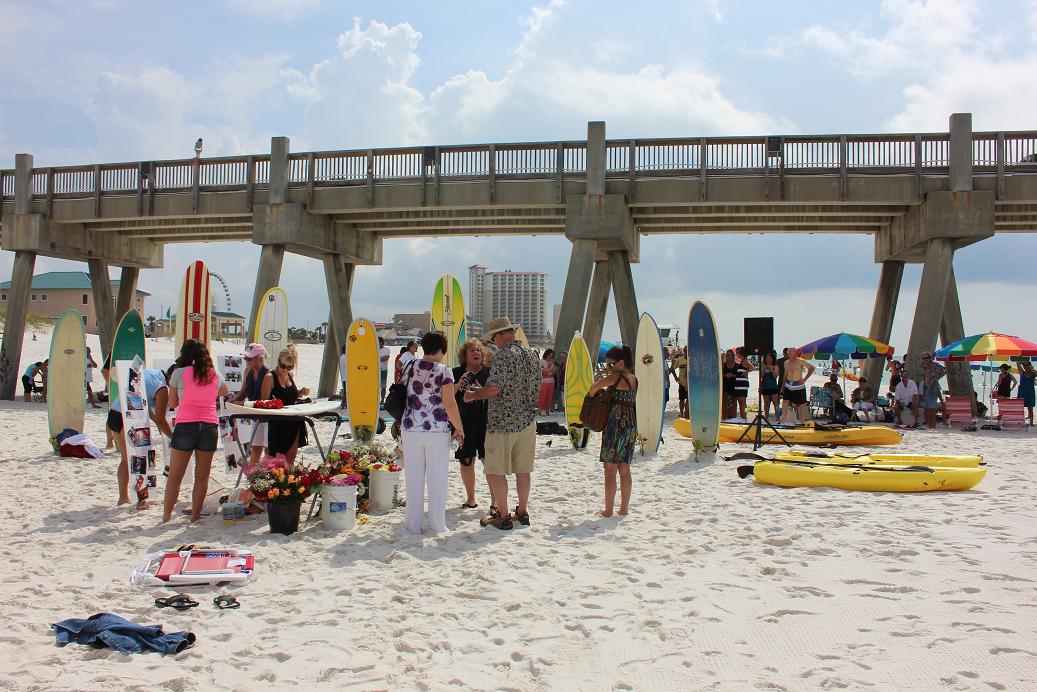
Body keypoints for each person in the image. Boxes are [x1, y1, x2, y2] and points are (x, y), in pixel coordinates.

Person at [464, 317, 540, 530]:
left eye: (493, 339)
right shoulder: (532, 354)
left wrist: (472, 395)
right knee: (523, 470)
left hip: (502, 422)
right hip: (527, 419)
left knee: (495, 470)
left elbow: (494, 389)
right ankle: (522, 512)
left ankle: (503, 515)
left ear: (499, 336)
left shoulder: (504, 356)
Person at [401, 331, 464, 534]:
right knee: (437, 479)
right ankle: (437, 525)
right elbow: (449, 403)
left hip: (410, 427)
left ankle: (412, 525)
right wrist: (459, 427)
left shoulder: (409, 365)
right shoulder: (444, 371)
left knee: (413, 479)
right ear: (442, 350)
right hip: (436, 428)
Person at [164, 340, 228, 522]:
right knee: (202, 477)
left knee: (175, 476)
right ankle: (194, 517)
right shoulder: (214, 374)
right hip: (209, 426)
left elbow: (173, 403)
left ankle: (166, 517)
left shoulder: (178, 373)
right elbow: (224, 391)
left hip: (185, 425)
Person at [104, 357, 175, 506]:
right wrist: (173, 437)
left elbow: (141, 400)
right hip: (128, 418)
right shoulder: (163, 388)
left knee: (126, 459)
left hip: (115, 414)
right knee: (140, 457)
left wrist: (154, 420)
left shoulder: (150, 373)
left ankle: (123, 497)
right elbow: (162, 419)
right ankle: (141, 500)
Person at [589, 345, 638, 518]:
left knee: (609, 470)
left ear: (621, 362)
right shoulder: (633, 378)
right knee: (625, 468)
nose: (609, 368)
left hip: (615, 424)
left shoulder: (616, 377)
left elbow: (593, 388)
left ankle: (608, 510)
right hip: (631, 424)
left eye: (611, 365)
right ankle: (624, 508)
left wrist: (603, 384)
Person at [453, 339, 490, 509]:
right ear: (464, 355)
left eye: (478, 350)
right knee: (466, 461)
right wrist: (459, 383)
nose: (476, 353)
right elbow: (447, 397)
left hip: (486, 423)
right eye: (472, 350)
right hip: (463, 423)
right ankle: (471, 499)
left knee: (488, 461)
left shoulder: (490, 373)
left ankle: (496, 501)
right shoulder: (456, 372)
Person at [261, 344, 310, 470]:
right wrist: (274, 404)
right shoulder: (270, 377)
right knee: (276, 463)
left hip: (294, 422)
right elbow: (263, 403)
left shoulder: (290, 376)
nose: (285, 369)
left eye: (290, 367)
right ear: (278, 361)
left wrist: (300, 392)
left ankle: (288, 488)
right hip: (278, 423)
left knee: (290, 460)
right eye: (283, 366)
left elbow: (290, 397)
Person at [228, 343, 270, 465]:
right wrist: (232, 400)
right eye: (245, 358)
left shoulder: (268, 375)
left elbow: (263, 402)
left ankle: (267, 480)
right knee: (255, 449)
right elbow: (242, 393)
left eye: (249, 358)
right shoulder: (247, 371)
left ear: (259, 358)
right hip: (256, 417)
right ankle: (255, 480)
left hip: (269, 418)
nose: (246, 361)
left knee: (268, 451)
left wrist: (243, 404)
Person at [782, 349, 815, 422]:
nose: (790, 353)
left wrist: (804, 379)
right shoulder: (786, 363)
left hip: (798, 385)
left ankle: (802, 421)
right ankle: (783, 420)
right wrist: (782, 387)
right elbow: (785, 375)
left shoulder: (800, 361)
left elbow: (812, 368)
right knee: (785, 402)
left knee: (801, 404)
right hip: (788, 384)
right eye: (789, 352)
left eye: (792, 352)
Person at [918, 351, 947, 429]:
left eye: (927, 357)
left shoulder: (935, 365)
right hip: (927, 387)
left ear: (930, 358)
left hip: (933, 387)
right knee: (928, 407)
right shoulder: (924, 366)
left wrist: (937, 378)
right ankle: (929, 425)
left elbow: (944, 370)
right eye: (924, 358)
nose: (925, 359)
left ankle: (932, 426)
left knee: (932, 408)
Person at [759, 351, 781, 420]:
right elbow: (761, 376)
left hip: (773, 387)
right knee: (766, 403)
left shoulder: (776, 366)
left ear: (773, 359)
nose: (768, 360)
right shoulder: (763, 365)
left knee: (775, 403)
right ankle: (766, 417)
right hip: (765, 387)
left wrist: (771, 370)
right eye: (767, 358)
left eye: (770, 358)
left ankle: (778, 417)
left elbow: (775, 377)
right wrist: (763, 368)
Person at [733, 348, 755, 418]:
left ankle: (744, 418)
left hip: (742, 384)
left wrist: (746, 372)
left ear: (741, 353)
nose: (736, 354)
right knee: (742, 402)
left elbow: (752, 367)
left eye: (737, 353)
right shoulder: (742, 361)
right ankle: (744, 417)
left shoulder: (745, 361)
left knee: (742, 402)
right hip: (739, 384)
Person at [669, 347, 688, 419]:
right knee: (682, 399)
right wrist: (676, 378)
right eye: (685, 351)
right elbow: (672, 369)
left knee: (688, 400)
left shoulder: (693, 359)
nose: (687, 352)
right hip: (682, 382)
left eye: (688, 350)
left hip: (690, 384)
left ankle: (686, 413)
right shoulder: (680, 360)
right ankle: (681, 413)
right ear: (684, 352)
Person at [538, 349, 556, 416]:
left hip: (552, 381)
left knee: (549, 396)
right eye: (549, 355)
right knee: (542, 396)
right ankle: (539, 410)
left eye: (552, 356)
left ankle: (547, 411)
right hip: (544, 382)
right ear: (546, 354)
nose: (550, 357)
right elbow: (544, 373)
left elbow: (553, 373)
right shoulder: (542, 361)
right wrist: (549, 369)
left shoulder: (552, 362)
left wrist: (552, 368)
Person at [378, 337, 391, 404]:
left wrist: (377, 359)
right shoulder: (374, 349)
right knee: (375, 386)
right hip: (375, 370)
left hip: (383, 370)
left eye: (379, 342)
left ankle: (382, 400)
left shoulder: (386, 349)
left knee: (383, 386)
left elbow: (386, 358)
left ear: (381, 342)